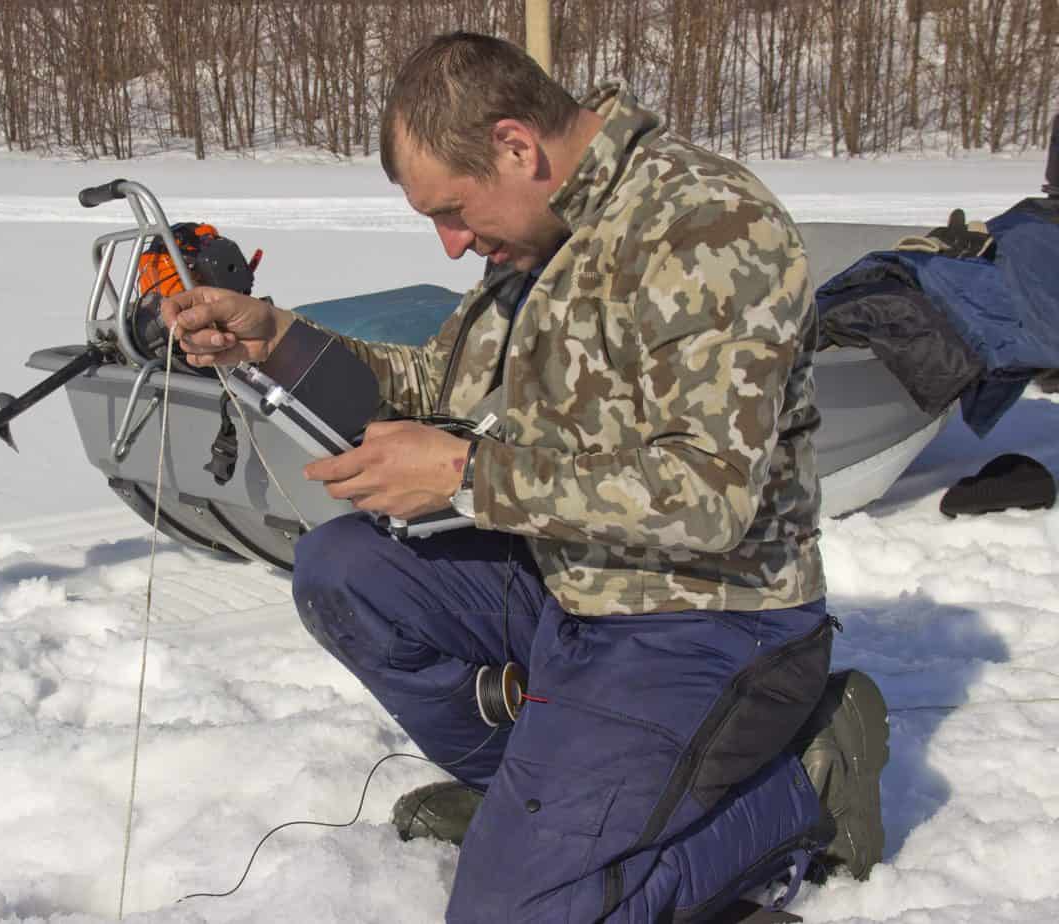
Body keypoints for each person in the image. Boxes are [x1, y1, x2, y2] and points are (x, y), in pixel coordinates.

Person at [162, 31, 888, 924]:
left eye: (453, 211)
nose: (451, 245)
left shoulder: (704, 226)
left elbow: (710, 497)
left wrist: (464, 473)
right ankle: (537, 808)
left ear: (515, 145)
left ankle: (802, 785)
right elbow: (435, 383)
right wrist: (278, 339)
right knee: (345, 571)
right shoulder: (537, 237)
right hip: (567, 584)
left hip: (709, 616)